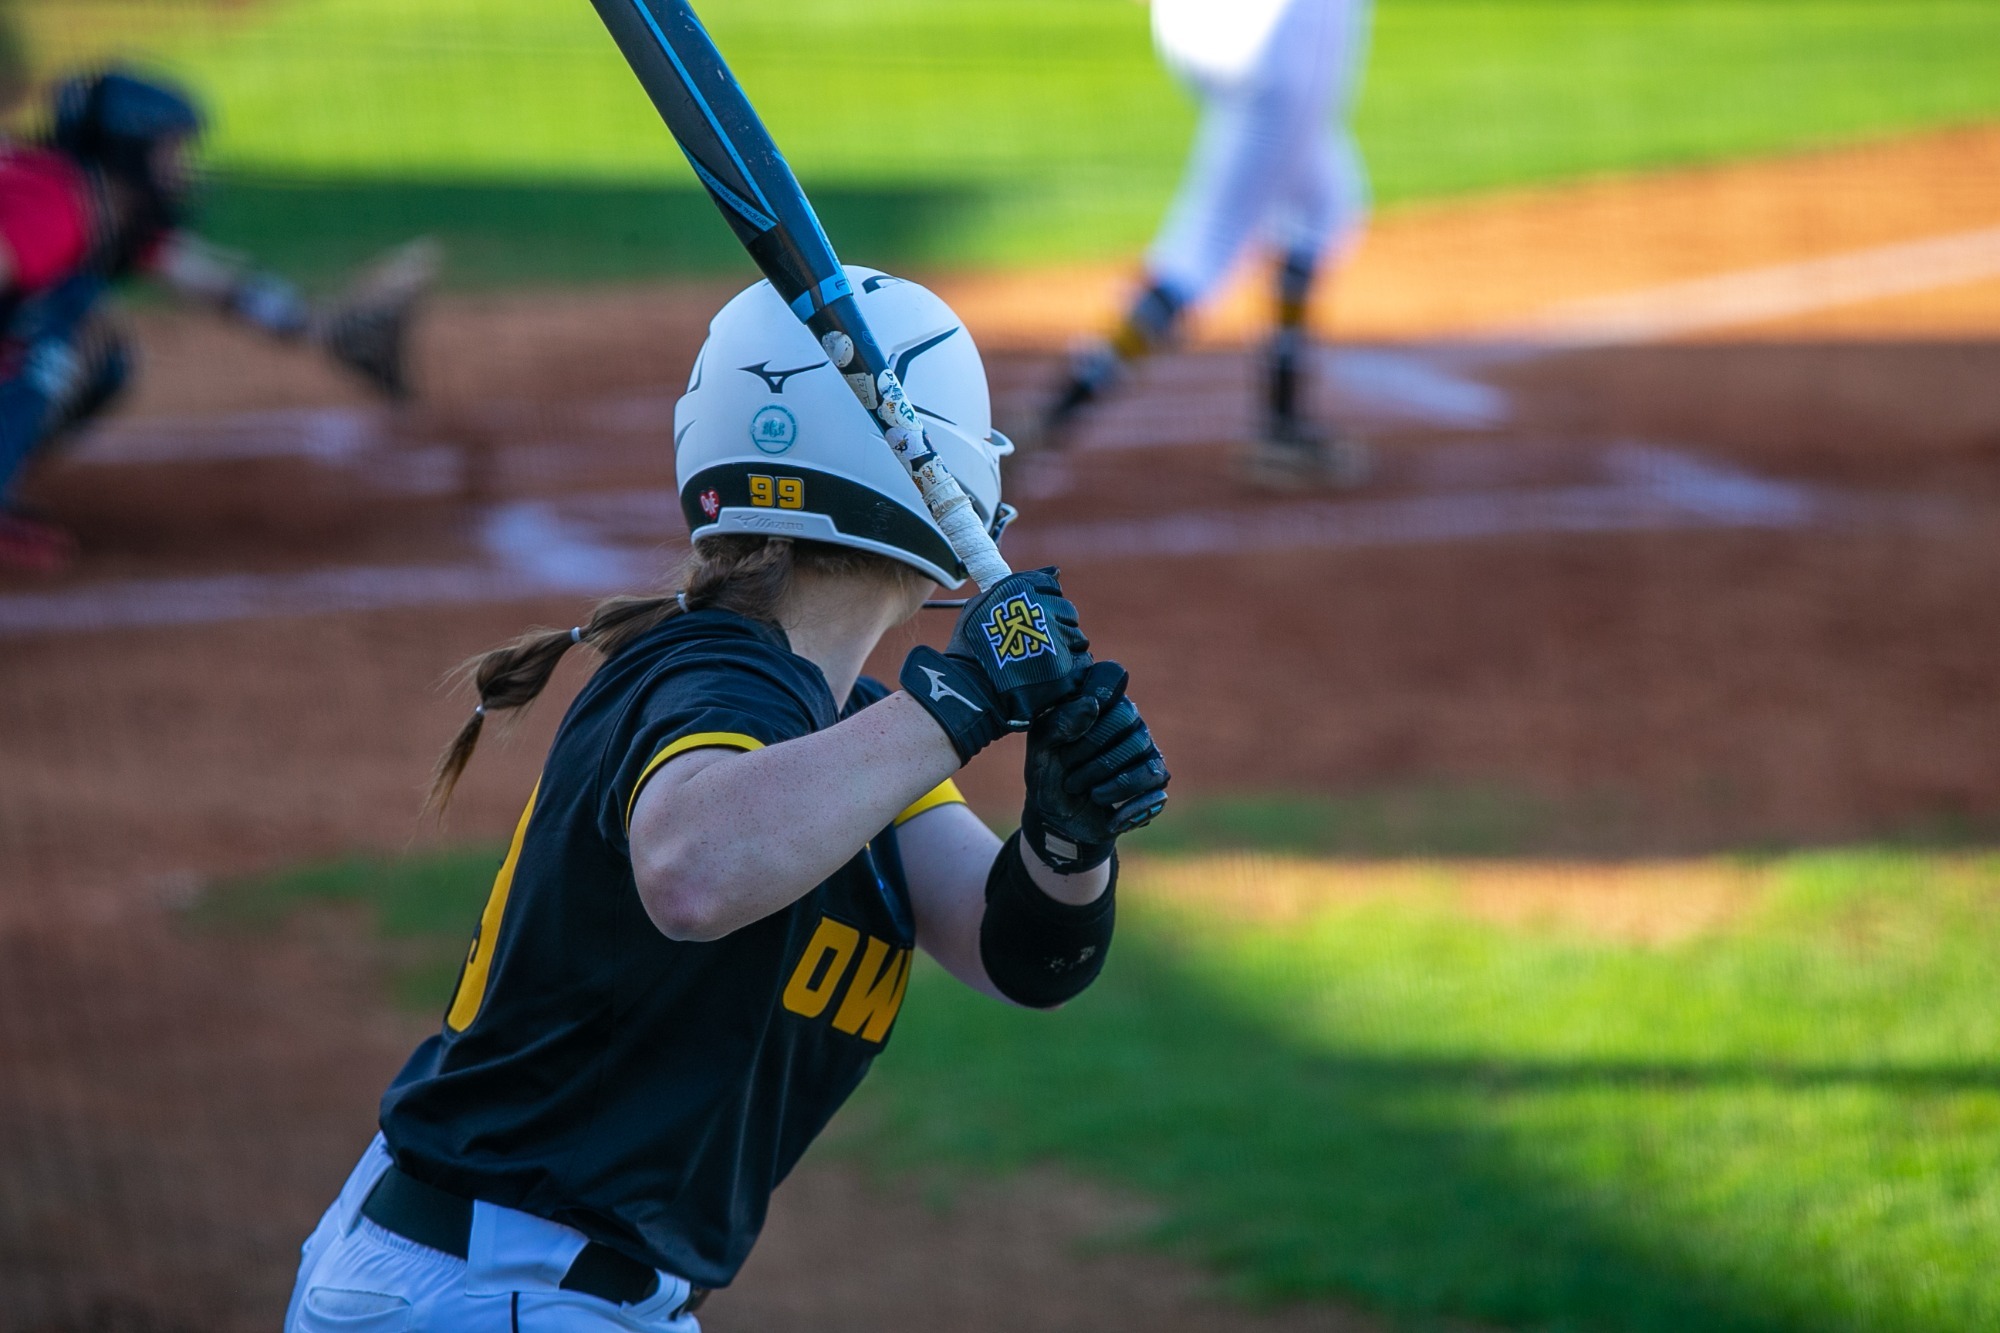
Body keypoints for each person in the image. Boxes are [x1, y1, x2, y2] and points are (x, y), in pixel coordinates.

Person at [283, 269, 1169, 1331]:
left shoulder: (846, 733)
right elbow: (691, 874)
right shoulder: (715, 676)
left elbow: (1016, 957)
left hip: (516, 1279)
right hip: (499, 1287)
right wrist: (964, 698)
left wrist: (1069, 837)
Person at [0, 67, 432, 574]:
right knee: (57, 336)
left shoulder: (101, 208)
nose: (181, 169)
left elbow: (207, 280)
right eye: (170, 152)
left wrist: (313, 325)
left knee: (98, 350)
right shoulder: (53, 207)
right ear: (129, 152)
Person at [1028, 0, 1374, 489]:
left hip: (1190, 25)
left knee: (1321, 202)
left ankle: (1285, 419)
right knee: (1208, 246)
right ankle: (1056, 412)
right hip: (1282, 31)